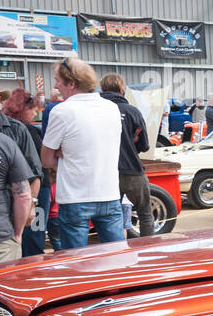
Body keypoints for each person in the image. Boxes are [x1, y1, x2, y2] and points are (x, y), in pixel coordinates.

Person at [40, 57, 124, 249]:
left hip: (75, 197)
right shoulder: (111, 108)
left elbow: (46, 160)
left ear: (71, 83)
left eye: (58, 81)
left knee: (76, 263)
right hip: (109, 193)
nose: (56, 86)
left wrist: (62, 152)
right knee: (118, 258)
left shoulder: (62, 111)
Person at [99, 74, 155, 239]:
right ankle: (149, 250)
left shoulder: (97, 111)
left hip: (106, 173)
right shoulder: (132, 112)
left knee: (110, 217)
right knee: (145, 212)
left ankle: (114, 252)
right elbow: (144, 146)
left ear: (102, 89)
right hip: (132, 170)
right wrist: (132, 143)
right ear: (122, 89)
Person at [0, 86, 34, 264]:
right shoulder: (5, 143)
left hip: (1, 231)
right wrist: (17, 233)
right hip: (0, 233)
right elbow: (23, 193)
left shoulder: (16, 130)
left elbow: (34, 176)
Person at [1, 89, 48, 255]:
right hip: (38, 192)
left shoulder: (4, 130)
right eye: (33, 109)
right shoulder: (28, 131)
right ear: (23, 109)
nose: (35, 113)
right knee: (35, 235)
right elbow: (41, 165)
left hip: (23, 191)